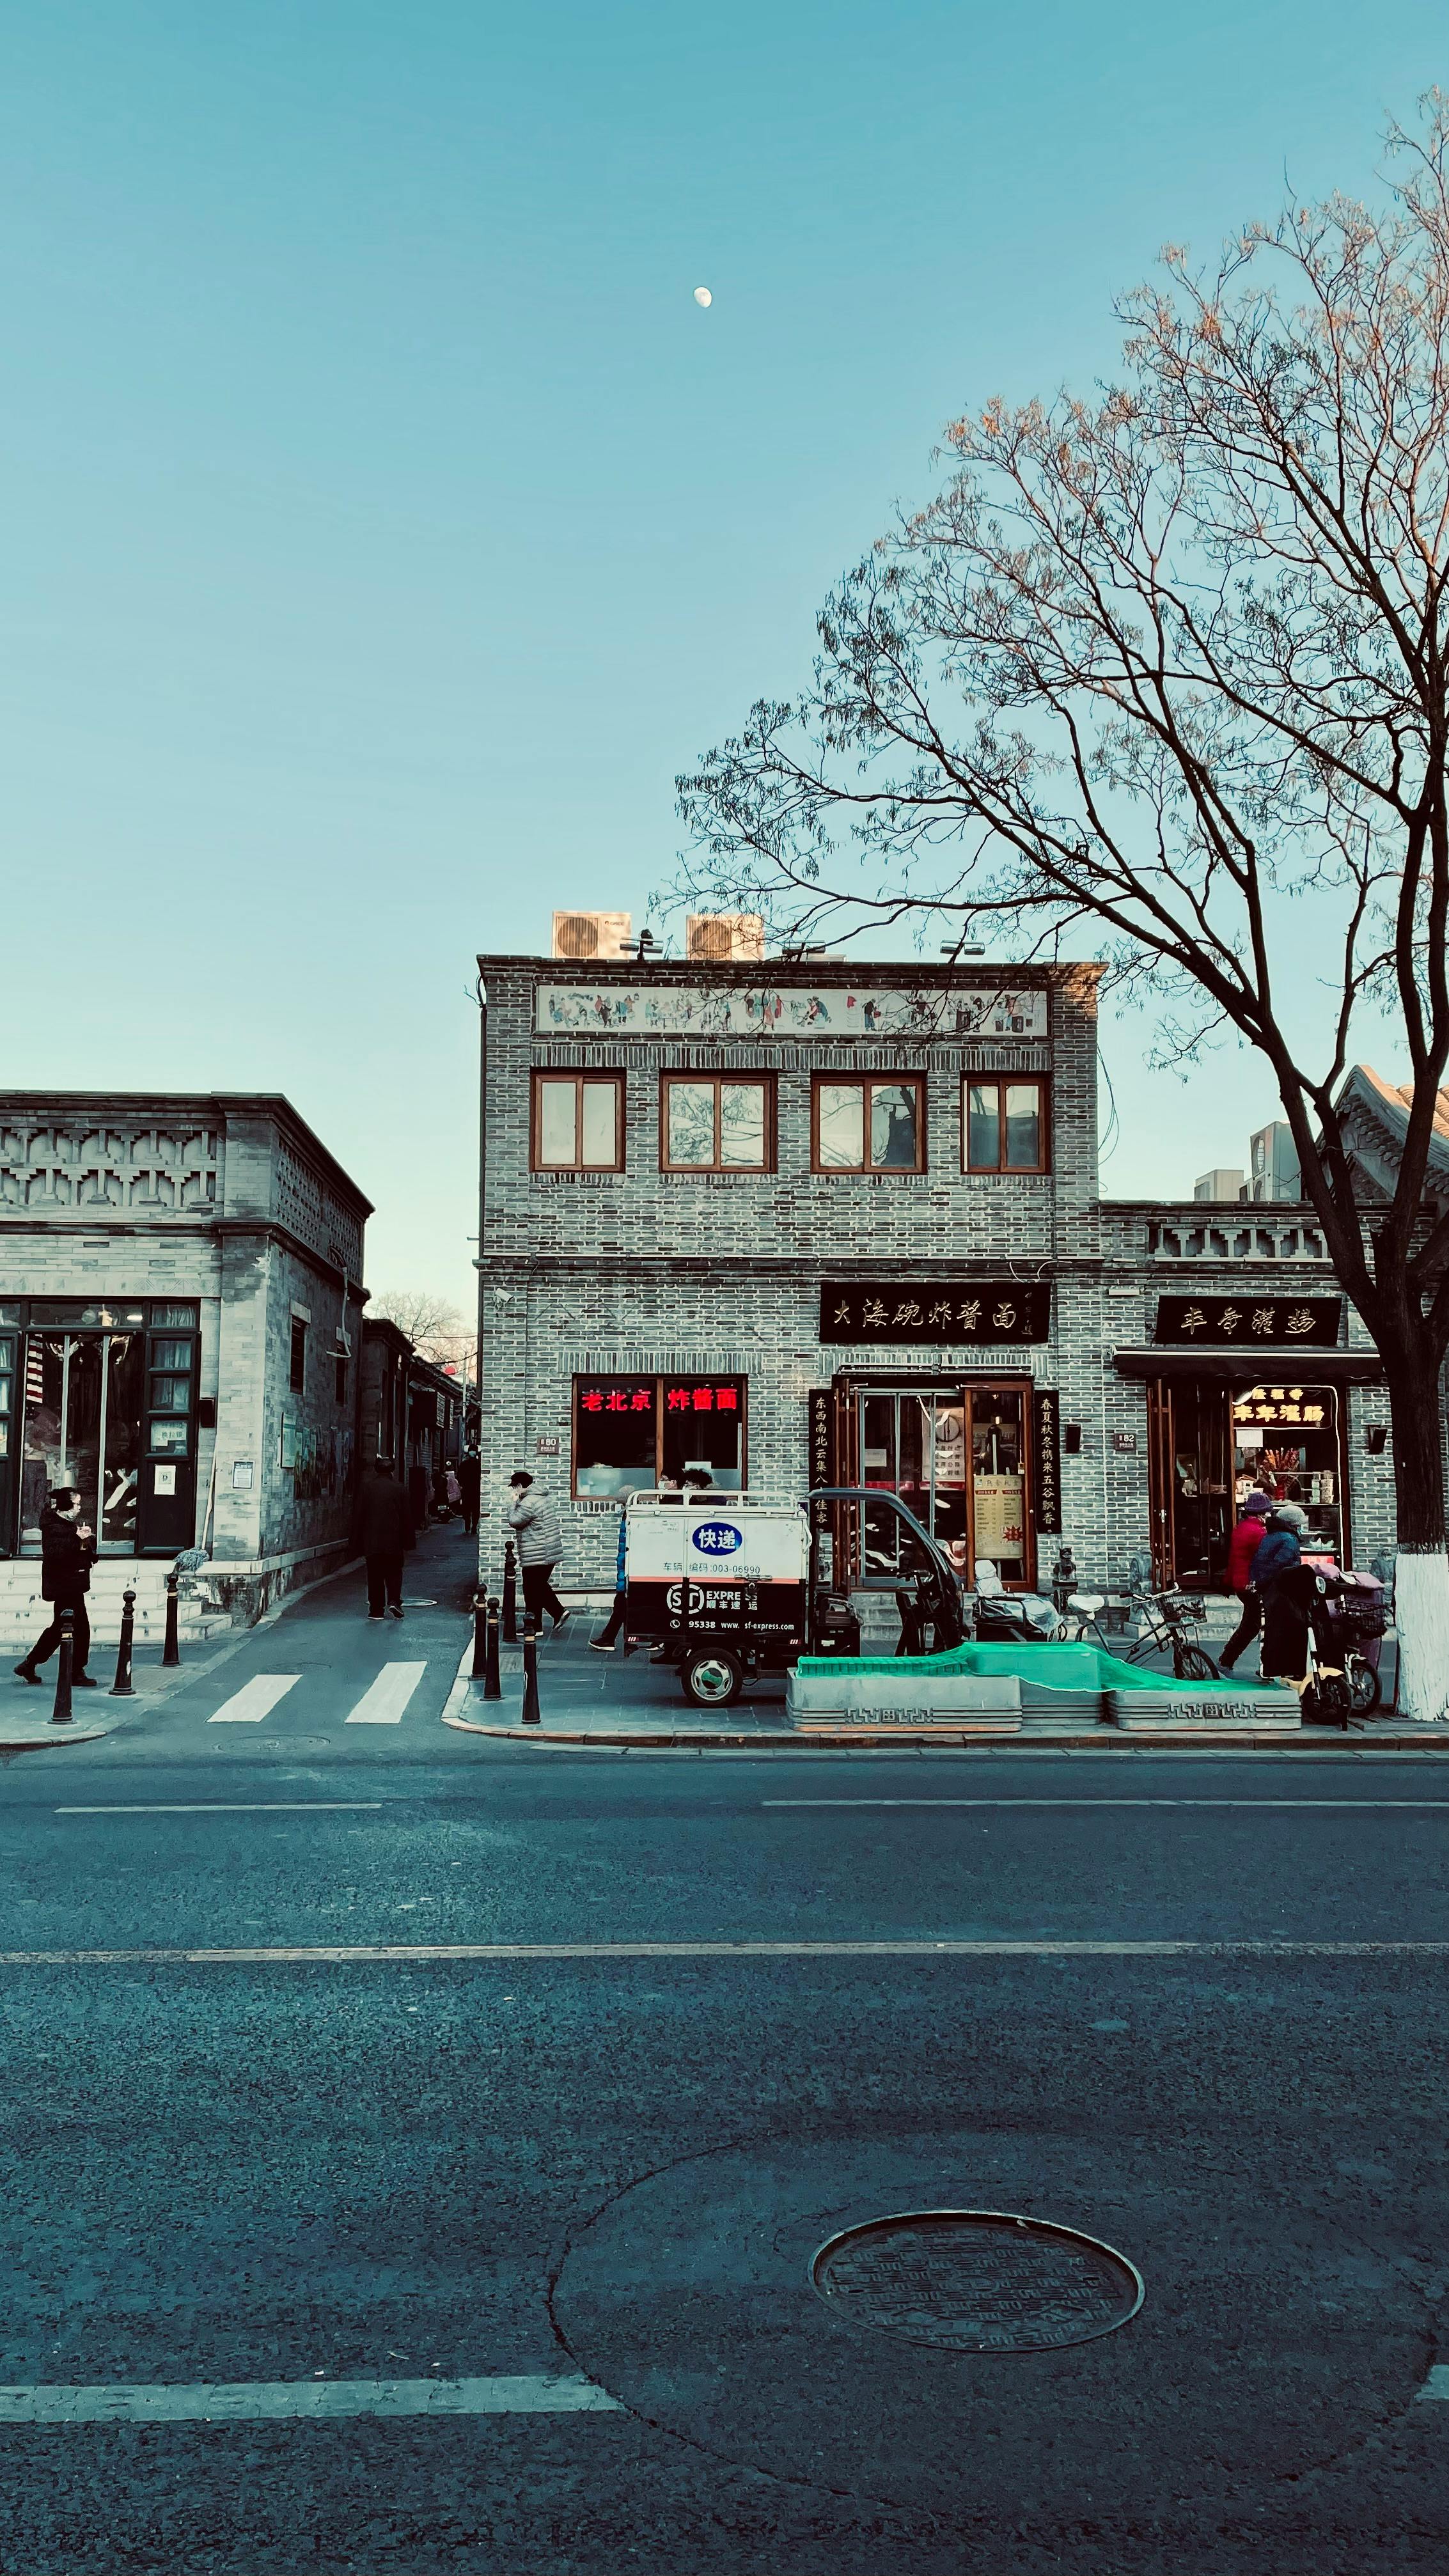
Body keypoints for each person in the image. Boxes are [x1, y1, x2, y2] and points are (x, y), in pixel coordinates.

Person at [15, 1488, 97, 1687]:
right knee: (78, 1628)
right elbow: (56, 1554)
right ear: (66, 1507)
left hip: (74, 1585)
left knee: (60, 1628)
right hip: (63, 1586)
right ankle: (75, 1670)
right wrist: (77, 1538)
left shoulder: (68, 1526)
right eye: (76, 1504)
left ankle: (30, 1664)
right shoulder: (53, 1527)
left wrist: (88, 1540)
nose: (79, 1507)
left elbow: (85, 1554)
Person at [1251, 1500, 1310, 1691]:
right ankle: (1288, 1669)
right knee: (1291, 1628)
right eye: (1300, 1525)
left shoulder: (1271, 1537)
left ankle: (1270, 1668)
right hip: (1281, 1591)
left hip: (1268, 1590)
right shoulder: (1288, 1539)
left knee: (1274, 1629)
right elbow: (1283, 1566)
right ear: (1294, 1525)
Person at [507, 1471, 568, 1631]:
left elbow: (514, 1521)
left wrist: (513, 1503)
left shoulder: (528, 1502)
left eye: (514, 1487)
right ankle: (534, 1625)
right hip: (546, 1550)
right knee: (533, 1588)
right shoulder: (542, 1497)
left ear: (520, 1486)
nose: (513, 1491)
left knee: (535, 1587)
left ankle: (558, 1612)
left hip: (537, 1552)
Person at [1219, 1488, 1271, 1672]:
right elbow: (1265, 1555)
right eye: (1267, 1511)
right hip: (1251, 1584)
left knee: (1251, 1624)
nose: (1269, 1514)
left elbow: (1235, 1559)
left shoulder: (1241, 1529)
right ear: (1260, 1513)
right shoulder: (1258, 1532)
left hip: (1240, 1583)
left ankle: (1226, 1659)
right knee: (1252, 1625)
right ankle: (1227, 1660)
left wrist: (1228, 1581)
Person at [357, 1455, 408, 1620]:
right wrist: (408, 1541)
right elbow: (407, 1517)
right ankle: (394, 1601)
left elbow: (359, 1515)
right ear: (392, 1469)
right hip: (394, 1541)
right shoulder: (400, 1488)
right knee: (394, 1573)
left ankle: (376, 1610)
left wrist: (357, 1542)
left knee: (375, 1576)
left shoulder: (367, 1488)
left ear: (376, 1469)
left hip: (373, 1542)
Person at [590, 1503, 631, 1653]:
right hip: (625, 1570)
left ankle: (610, 1639)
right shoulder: (629, 1514)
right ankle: (615, 1639)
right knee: (621, 1605)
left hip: (627, 1570)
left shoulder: (633, 1515)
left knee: (621, 1604)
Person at [457, 1450, 482, 1537]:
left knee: (466, 1508)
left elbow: (459, 1476)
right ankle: (474, 1526)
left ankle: (467, 1525)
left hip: (466, 1490)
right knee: (476, 1510)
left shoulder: (464, 1464)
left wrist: (462, 1485)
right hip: (476, 1491)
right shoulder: (479, 1464)